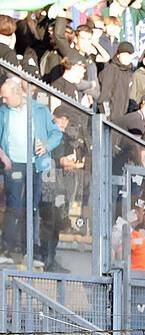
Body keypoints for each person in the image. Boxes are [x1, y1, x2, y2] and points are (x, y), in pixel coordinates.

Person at [0, 77, 63, 266]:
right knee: (14, 205)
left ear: (17, 93)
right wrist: (3, 157)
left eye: (5, 97)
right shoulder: (3, 112)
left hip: (36, 164)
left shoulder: (39, 110)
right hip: (13, 164)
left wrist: (46, 145)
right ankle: (6, 249)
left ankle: (32, 251)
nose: (3, 101)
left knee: (33, 207)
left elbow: (56, 134)